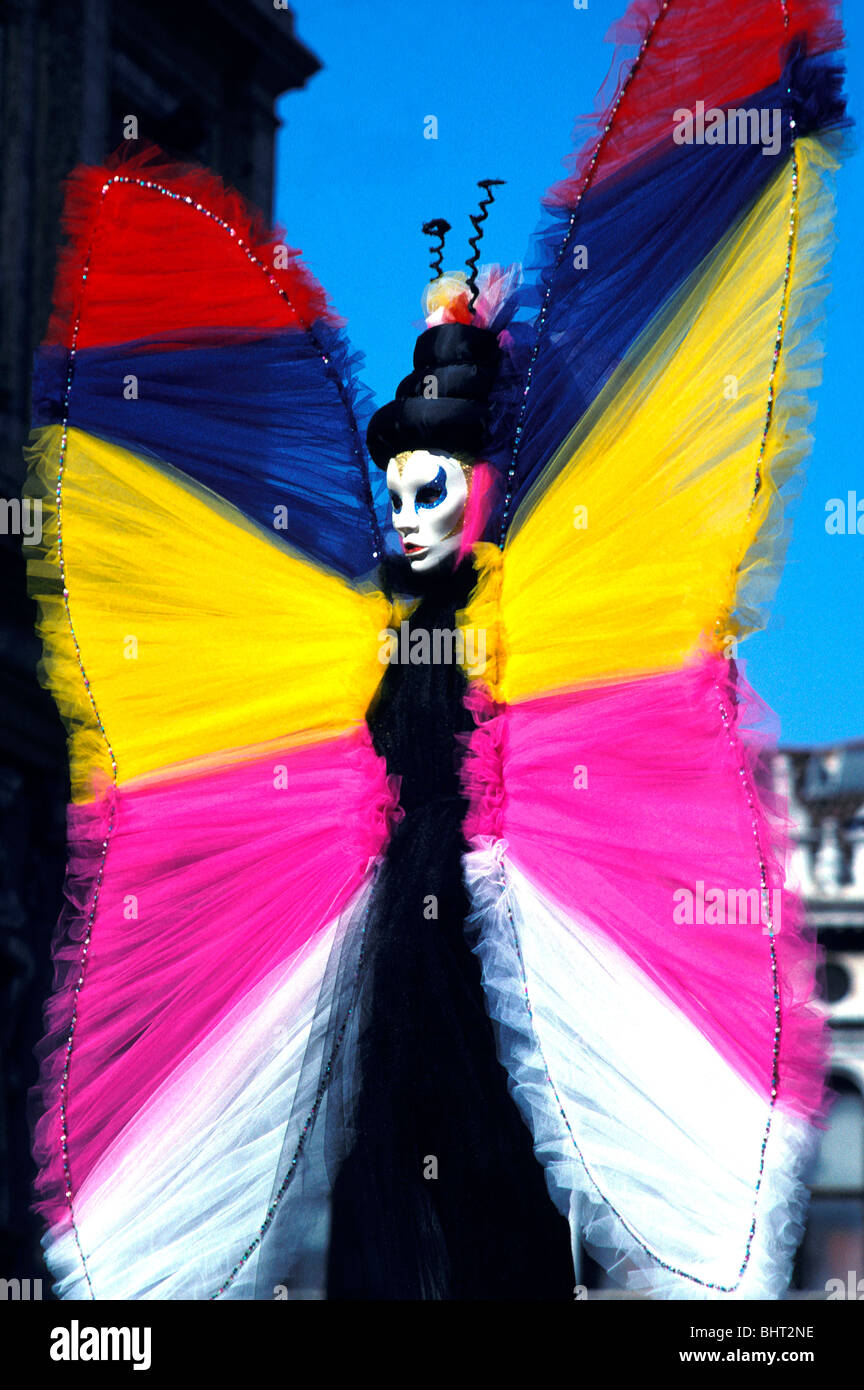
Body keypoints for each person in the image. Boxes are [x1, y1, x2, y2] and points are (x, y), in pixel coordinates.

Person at [25, 0, 848, 1300]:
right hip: (376, 983)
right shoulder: (351, 635)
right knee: (379, 1210)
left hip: (494, 970)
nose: (406, 513)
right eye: (392, 489)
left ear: (480, 491)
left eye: (432, 488)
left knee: (489, 1208)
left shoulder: (523, 631)